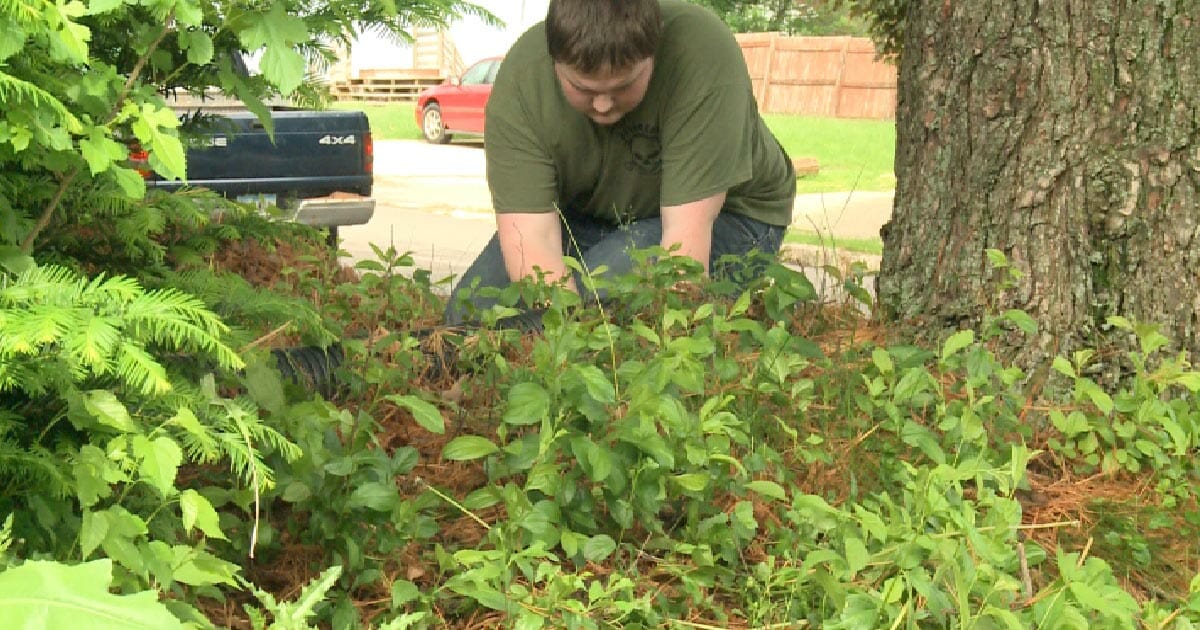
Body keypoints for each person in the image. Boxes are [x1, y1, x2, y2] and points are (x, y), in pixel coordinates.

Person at [444, 0, 796, 325]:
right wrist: (551, 330)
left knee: (605, 306)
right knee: (469, 316)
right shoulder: (523, 82)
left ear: (654, 51)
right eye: (583, 89)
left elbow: (683, 261)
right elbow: (532, 238)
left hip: (730, 215)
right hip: (590, 212)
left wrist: (570, 335)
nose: (602, 106)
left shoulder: (702, 55)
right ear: (554, 61)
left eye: (623, 86)